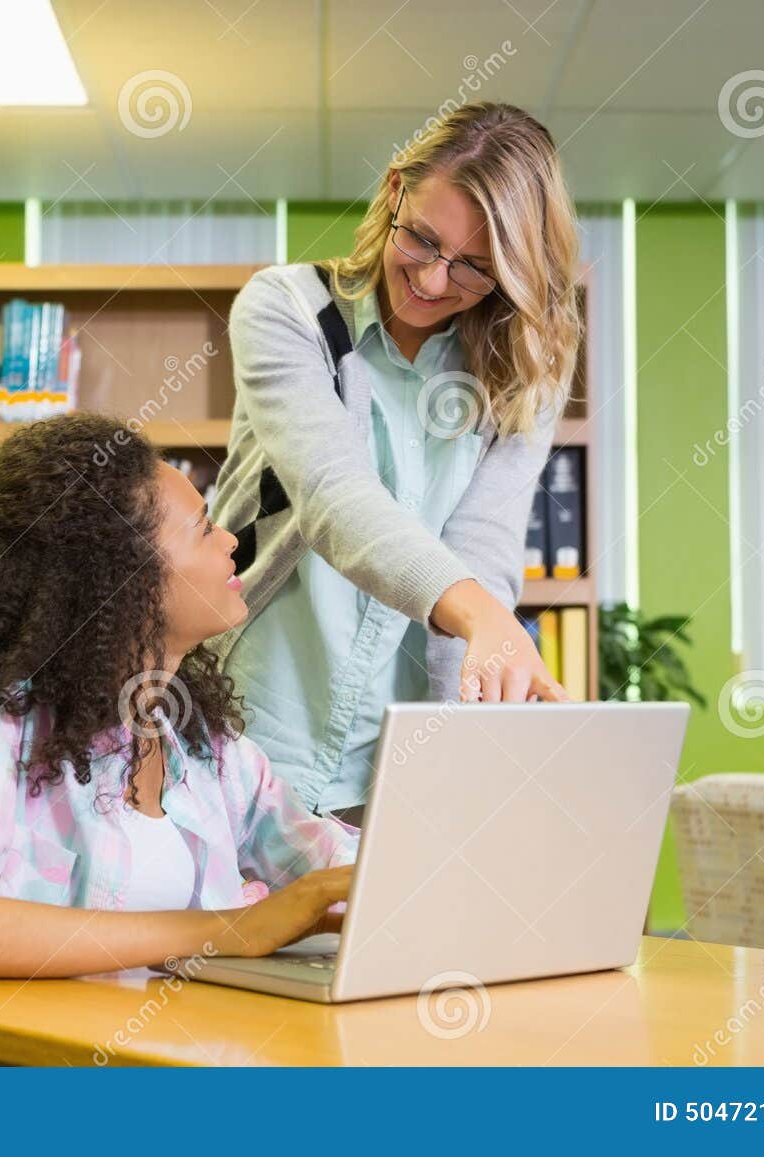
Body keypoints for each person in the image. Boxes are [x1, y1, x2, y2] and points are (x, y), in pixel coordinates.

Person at [0, 413, 356, 979]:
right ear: (123, 577)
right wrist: (228, 931)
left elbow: (331, 865)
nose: (230, 541)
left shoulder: (201, 743)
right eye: (203, 529)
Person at [210, 102, 584, 821]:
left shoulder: (529, 366)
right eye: (422, 239)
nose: (435, 282)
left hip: (400, 746)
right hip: (255, 722)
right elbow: (333, 496)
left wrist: (463, 738)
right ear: (393, 193)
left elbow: (484, 543)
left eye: (475, 267)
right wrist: (482, 615)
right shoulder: (287, 309)